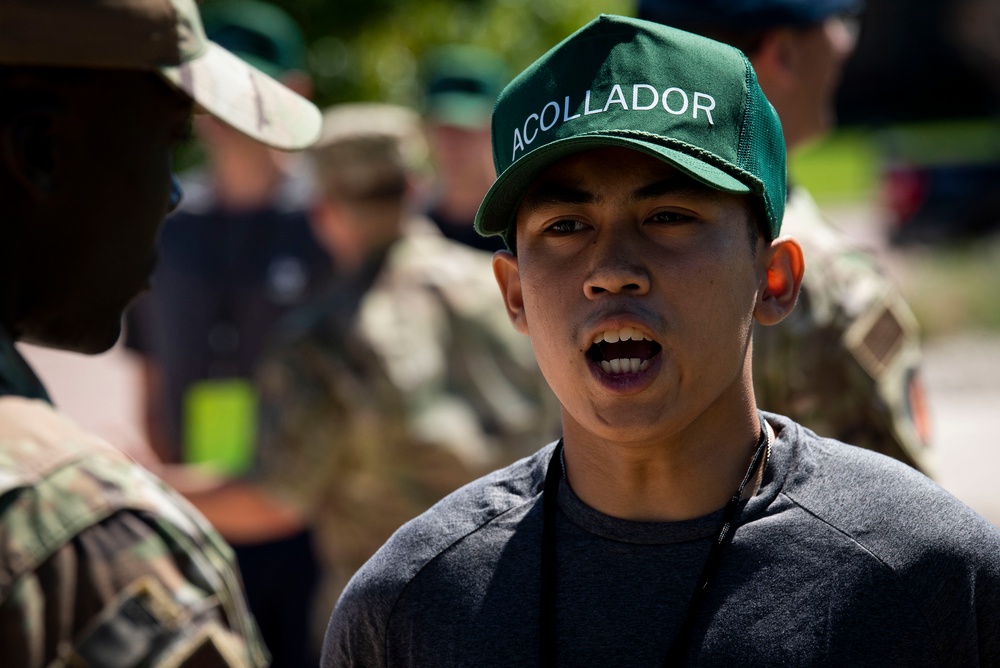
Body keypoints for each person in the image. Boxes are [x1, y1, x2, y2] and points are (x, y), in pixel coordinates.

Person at [323, 15, 1000, 666]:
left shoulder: (929, 580)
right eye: (565, 227)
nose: (612, 270)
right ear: (516, 295)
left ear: (774, 278)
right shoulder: (409, 608)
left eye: (668, 216)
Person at [0, 0, 321, 665]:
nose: (170, 195)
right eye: (169, 140)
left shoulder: (318, 225)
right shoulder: (85, 538)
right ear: (39, 150)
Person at [173, 102, 559, 648]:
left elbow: (274, 501)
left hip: (389, 625)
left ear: (322, 211)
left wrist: (157, 485)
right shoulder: (511, 292)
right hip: (523, 604)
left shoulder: (323, 337)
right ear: (417, 186)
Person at [636, 0, 933, 473]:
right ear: (784, 53)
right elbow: (904, 522)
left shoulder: (588, 251)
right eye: (841, 23)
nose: (842, 46)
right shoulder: (823, 275)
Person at [123, 2, 331, 664]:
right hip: (193, 526)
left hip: (310, 535)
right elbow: (150, 368)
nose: (233, 105)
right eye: (217, 85)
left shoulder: (330, 227)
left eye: (255, 84)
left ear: (295, 92)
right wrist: (180, 486)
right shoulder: (164, 220)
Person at [419, 45, 510, 253]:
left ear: (494, 129)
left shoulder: (522, 228)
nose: (453, 144)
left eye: (466, 129)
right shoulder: (411, 230)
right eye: (444, 128)